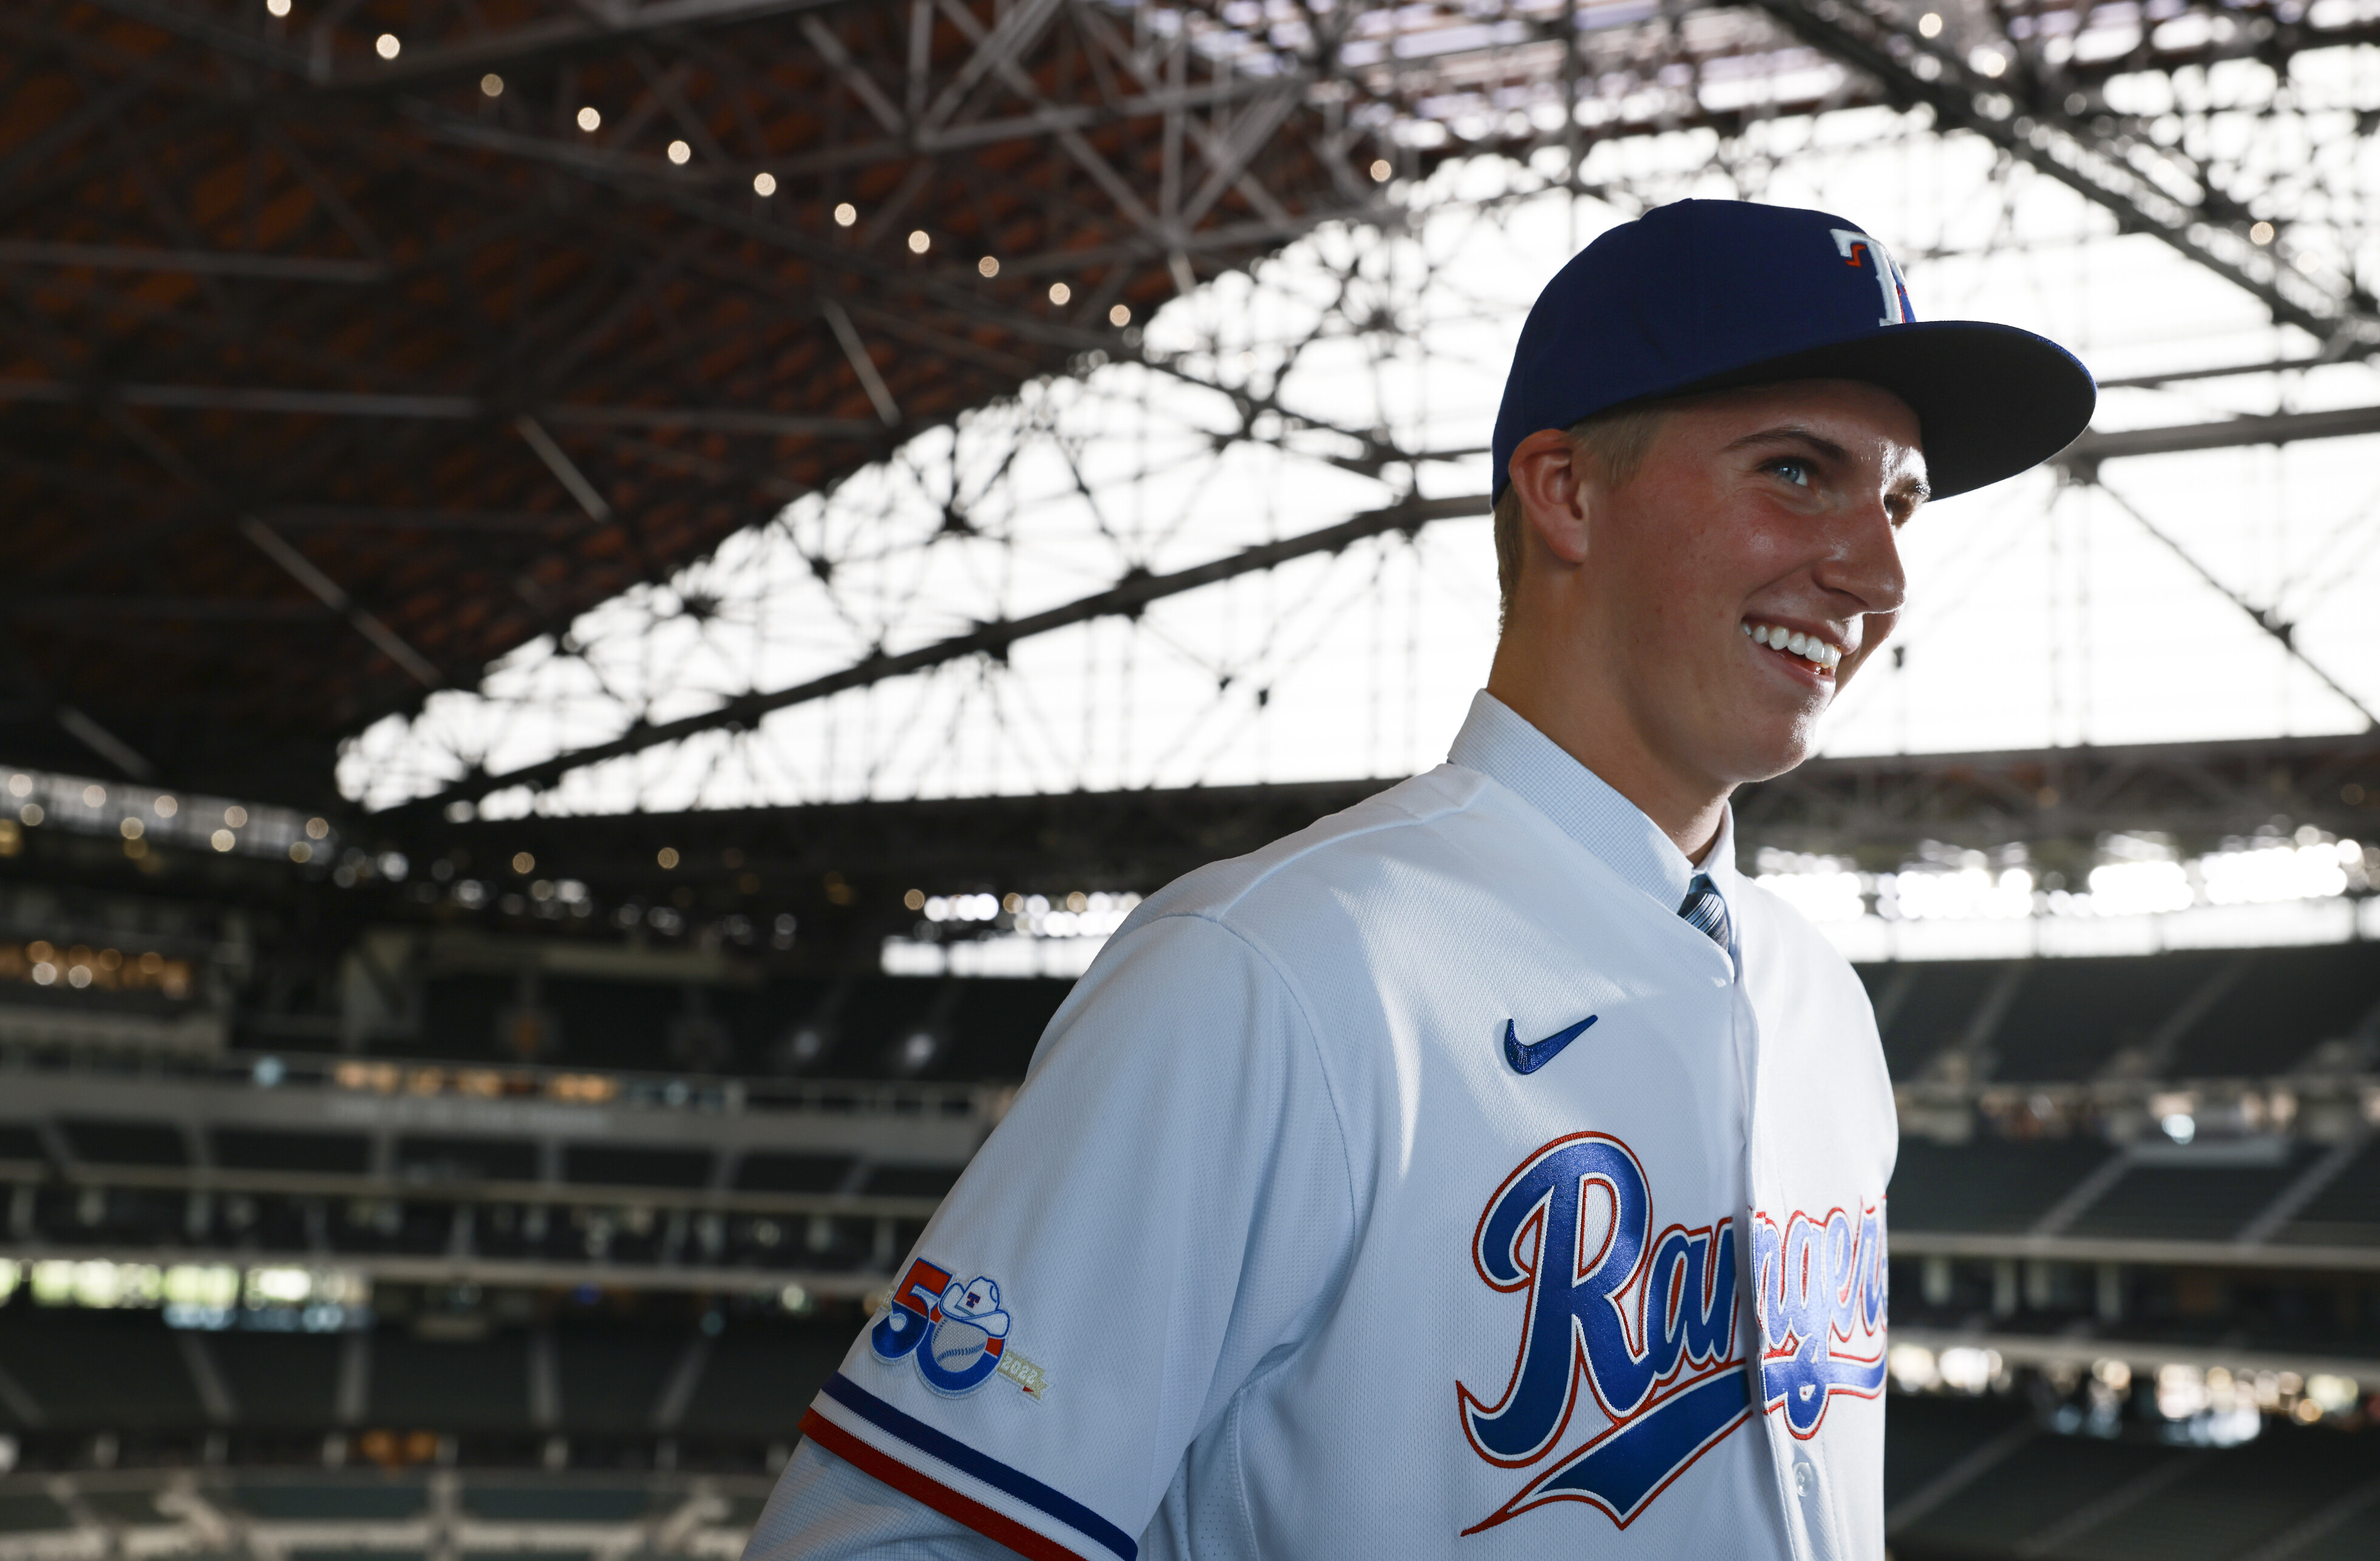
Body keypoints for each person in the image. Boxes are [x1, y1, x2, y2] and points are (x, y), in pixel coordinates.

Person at [742, 199, 2095, 1561]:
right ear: (1564, 491)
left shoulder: (1819, 999)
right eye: (1796, 472)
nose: (1875, 570)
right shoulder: (1273, 967)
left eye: (1899, 497)